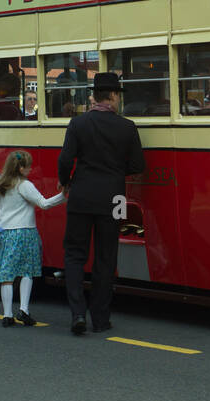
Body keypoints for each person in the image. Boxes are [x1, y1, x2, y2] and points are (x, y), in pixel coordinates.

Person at [57, 72, 146, 334]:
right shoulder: (127, 127)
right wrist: (117, 171)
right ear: (115, 96)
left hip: (82, 195)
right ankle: (101, 319)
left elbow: (65, 160)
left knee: (74, 255)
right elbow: (138, 165)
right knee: (106, 258)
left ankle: (77, 315)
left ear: (94, 96)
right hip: (113, 198)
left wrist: (66, 181)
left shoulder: (78, 123)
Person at [0, 150, 65, 327]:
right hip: (25, 233)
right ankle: (24, 310)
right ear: (21, 168)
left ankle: (7, 315)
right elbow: (44, 204)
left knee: (6, 275)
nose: (30, 169)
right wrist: (63, 196)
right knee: (27, 272)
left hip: (3, 234)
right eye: (28, 167)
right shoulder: (25, 185)